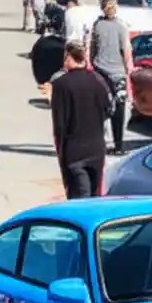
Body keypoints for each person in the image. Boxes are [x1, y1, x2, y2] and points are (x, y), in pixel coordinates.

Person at [50, 41, 111, 199]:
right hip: (96, 146)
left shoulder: (61, 84)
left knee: (79, 194)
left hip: (74, 148)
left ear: (69, 58)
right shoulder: (98, 81)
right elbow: (108, 109)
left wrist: (61, 147)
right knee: (94, 192)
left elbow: (59, 122)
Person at [88, 0, 133, 155]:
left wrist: (92, 63)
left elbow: (92, 48)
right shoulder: (122, 26)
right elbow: (126, 51)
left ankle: (99, 142)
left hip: (101, 71)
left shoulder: (97, 25)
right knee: (119, 110)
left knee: (101, 109)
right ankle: (119, 145)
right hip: (117, 73)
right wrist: (129, 69)